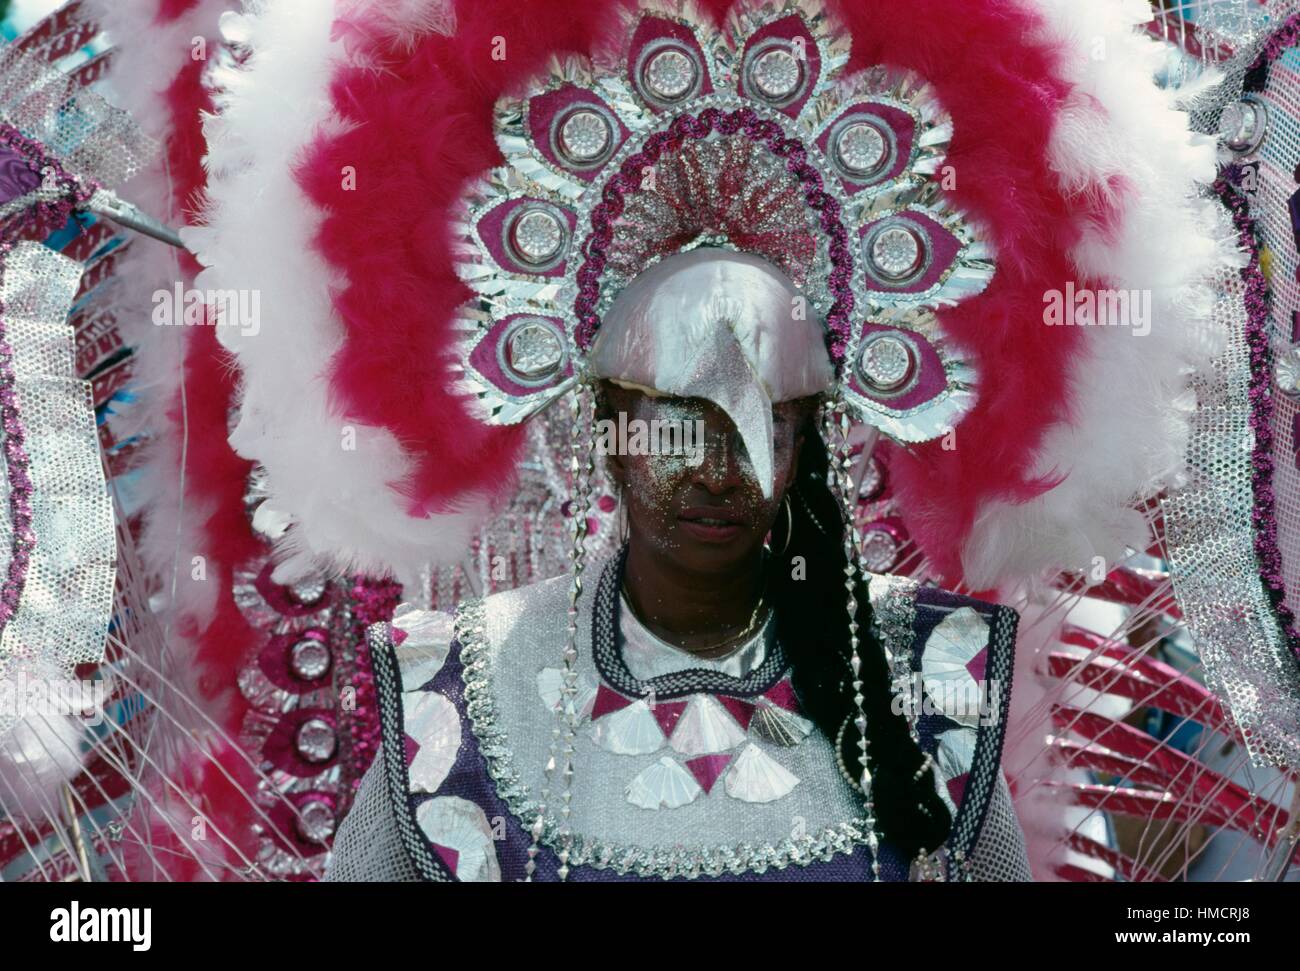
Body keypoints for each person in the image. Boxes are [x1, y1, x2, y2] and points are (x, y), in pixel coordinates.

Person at [325, 251, 1032, 881]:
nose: (718, 474)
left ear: (801, 448)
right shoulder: (464, 688)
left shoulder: (929, 677)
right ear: (609, 432)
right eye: (678, 431)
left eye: (760, 432)